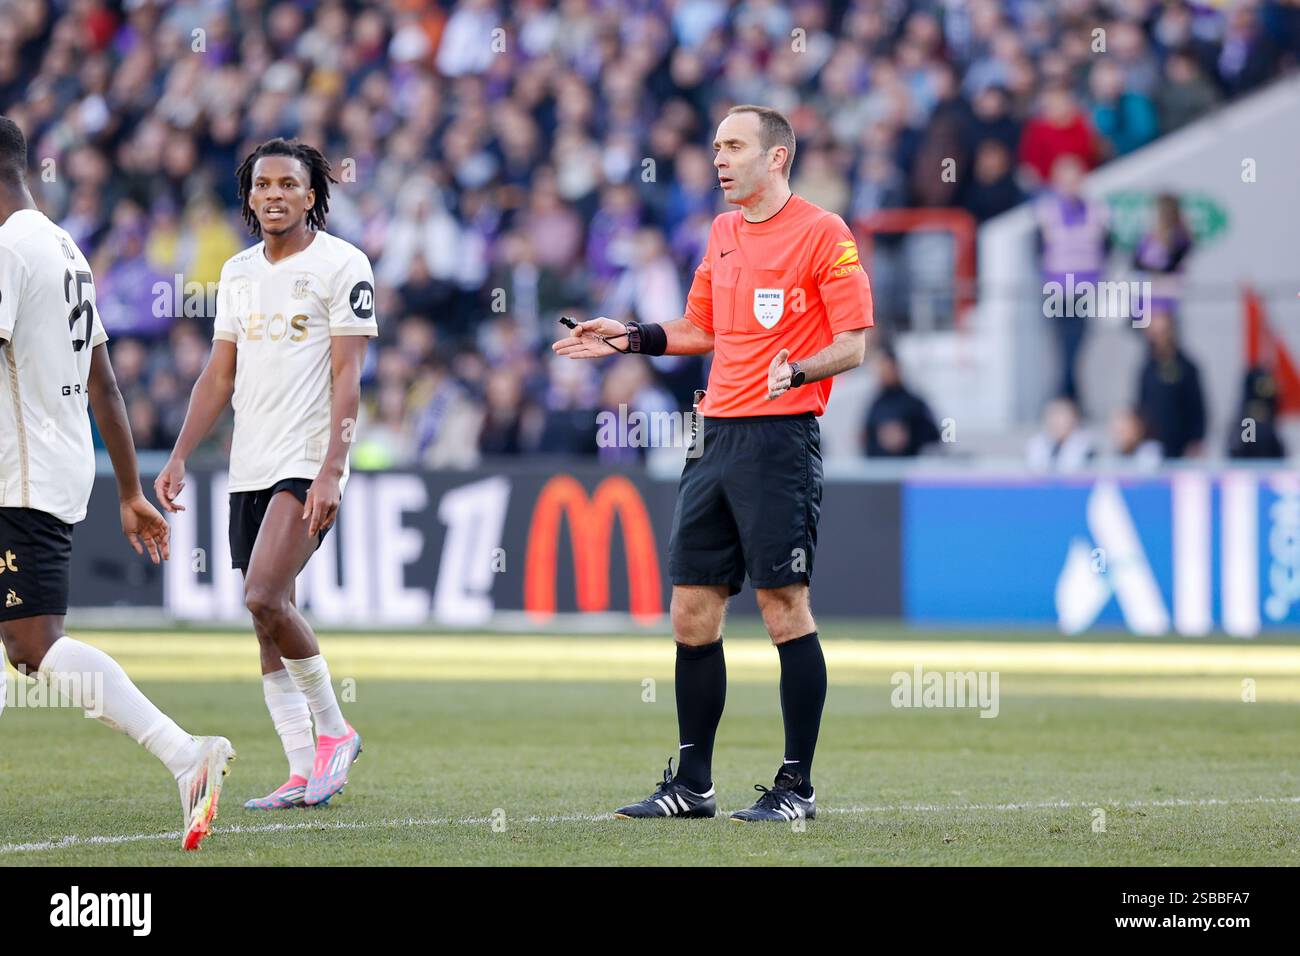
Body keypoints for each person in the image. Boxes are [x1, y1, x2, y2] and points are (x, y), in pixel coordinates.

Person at [554, 105, 872, 822]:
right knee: (692, 611)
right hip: (712, 434)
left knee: (782, 606)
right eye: (717, 146)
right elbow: (701, 328)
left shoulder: (826, 233)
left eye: (734, 146)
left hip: (780, 437)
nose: (720, 159)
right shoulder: (722, 232)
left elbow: (853, 343)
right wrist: (629, 336)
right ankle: (692, 785)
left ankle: (798, 787)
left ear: (777, 157)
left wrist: (800, 370)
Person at [0, 116, 234, 851]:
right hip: (52, 462)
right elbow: (104, 379)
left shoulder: (8, 248)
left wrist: (132, 489)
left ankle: (184, 753)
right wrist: (129, 490)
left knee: (33, 640)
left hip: (22, 471)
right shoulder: (64, 246)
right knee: (14, 638)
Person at [156, 139, 376, 810]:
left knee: (263, 597)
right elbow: (218, 374)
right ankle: (302, 767)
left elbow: (348, 378)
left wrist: (333, 470)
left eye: (288, 183)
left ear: (312, 196)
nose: (274, 193)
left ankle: (337, 733)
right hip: (248, 460)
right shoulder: (239, 271)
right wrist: (179, 454)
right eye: (263, 185)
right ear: (249, 197)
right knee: (263, 619)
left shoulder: (343, 264)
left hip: (306, 460)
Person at [1136, 308, 1205, 459]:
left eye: (1163, 332)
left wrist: (1197, 439)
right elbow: (1141, 404)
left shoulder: (1186, 366)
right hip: (1153, 446)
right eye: (1155, 333)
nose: (1159, 338)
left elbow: (1197, 406)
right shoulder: (1148, 368)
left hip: (1181, 443)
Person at [862, 344, 941, 457]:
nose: (883, 373)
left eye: (887, 368)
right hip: (880, 471)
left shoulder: (914, 403)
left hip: (909, 468)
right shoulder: (875, 404)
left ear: (896, 369)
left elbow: (933, 436)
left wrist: (907, 436)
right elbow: (867, 437)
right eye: (881, 369)